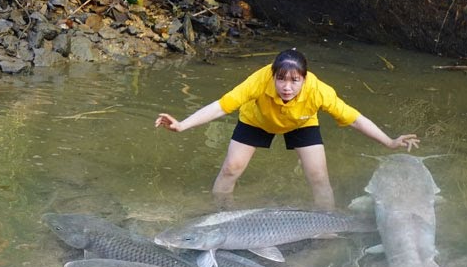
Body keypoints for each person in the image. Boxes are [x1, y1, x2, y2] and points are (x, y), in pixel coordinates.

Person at [154, 48, 419, 210]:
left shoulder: (319, 91)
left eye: (294, 80)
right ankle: (220, 213)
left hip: (302, 121)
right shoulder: (258, 82)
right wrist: (182, 125)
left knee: (318, 176)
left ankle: (325, 226)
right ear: (273, 76)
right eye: (281, 79)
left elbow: (355, 119)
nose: (287, 87)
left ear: (304, 79)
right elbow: (221, 106)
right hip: (258, 119)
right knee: (231, 168)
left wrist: (389, 142)